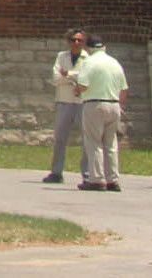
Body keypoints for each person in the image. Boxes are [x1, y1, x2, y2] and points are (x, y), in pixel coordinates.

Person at [74, 33, 128, 191]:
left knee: (94, 142)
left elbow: (83, 85)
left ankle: (97, 179)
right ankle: (113, 179)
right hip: (114, 104)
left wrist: (77, 91)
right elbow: (124, 89)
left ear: (88, 48)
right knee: (111, 143)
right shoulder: (114, 62)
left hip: (94, 104)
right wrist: (117, 103)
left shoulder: (88, 62)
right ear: (104, 47)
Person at [43, 27, 87, 183]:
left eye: (79, 40)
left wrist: (68, 74)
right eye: (73, 40)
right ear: (68, 42)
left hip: (82, 101)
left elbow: (86, 78)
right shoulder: (61, 56)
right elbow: (56, 78)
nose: (76, 43)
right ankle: (56, 172)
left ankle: (87, 173)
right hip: (64, 100)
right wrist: (74, 79)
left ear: (83, 42)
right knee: (60, 138)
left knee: (86, 138)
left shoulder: (87, 58)